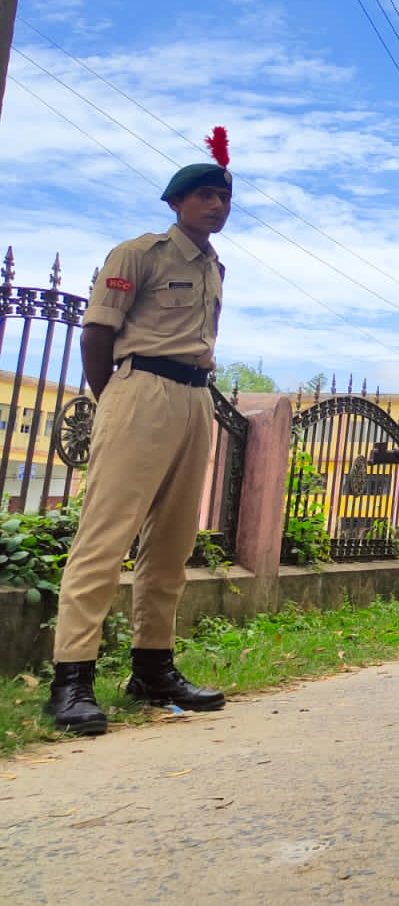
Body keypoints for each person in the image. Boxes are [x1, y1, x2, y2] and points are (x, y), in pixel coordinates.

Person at [46, 130, 234, 736]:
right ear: (176, 202)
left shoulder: (214, 267)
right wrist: (115, 401)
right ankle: (71, 679)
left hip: (195, 397)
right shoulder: (139, 254)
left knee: (173, 543)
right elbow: (97, 333)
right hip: (140, 390)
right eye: (204, 196)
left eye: (224, 198)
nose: (216, 206)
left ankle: (153, 669)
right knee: (105, 535)